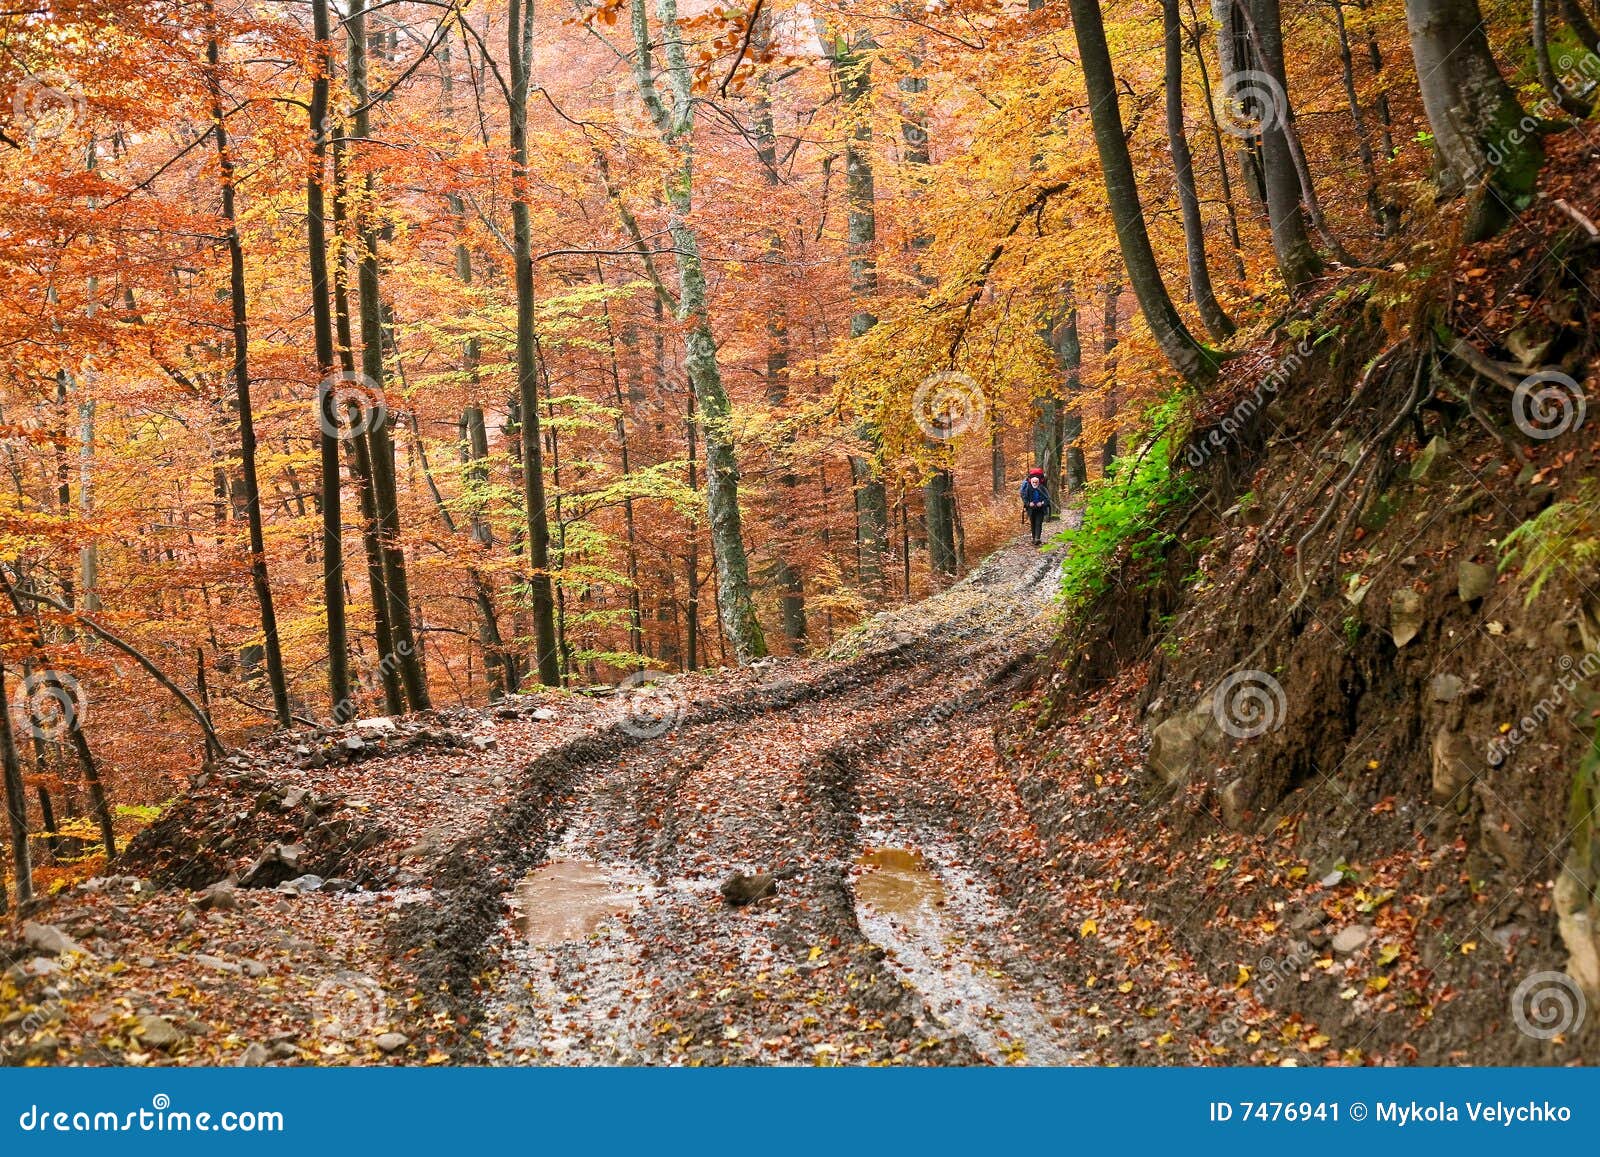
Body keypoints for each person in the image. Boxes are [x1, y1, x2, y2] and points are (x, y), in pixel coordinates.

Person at [1020, 467, 1052, 546]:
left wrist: (1042, 503)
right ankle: (1034, 538)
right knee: (1033, 523)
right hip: (1031, 509)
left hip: (1040, 509)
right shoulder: (1028, 489)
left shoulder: (1042, 488)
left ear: (1039, 481)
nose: (1035, 483)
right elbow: (1024, 497)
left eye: (1036, 482)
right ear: (1031, 481)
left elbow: (1047, 498)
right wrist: (1028, 503)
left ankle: (1037, 538)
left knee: (1039, 523)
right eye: (1033, 482)